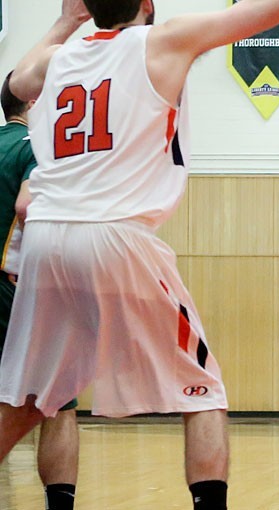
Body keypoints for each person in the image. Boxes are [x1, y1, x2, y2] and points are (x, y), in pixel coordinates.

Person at [0, 1, 279, 508]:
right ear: (147, 6)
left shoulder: (58, 59)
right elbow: (275, 10)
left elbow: (12, 89)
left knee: (30, 400)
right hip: (113, 234)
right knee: (203, 389)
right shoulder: (163, 41)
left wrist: (67, 20)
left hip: (46, 238)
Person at [0, 71, 82, 510]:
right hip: (10, 289)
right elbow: (28, 207)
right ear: (33, 104)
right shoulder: (35, 148)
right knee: (58, 401)